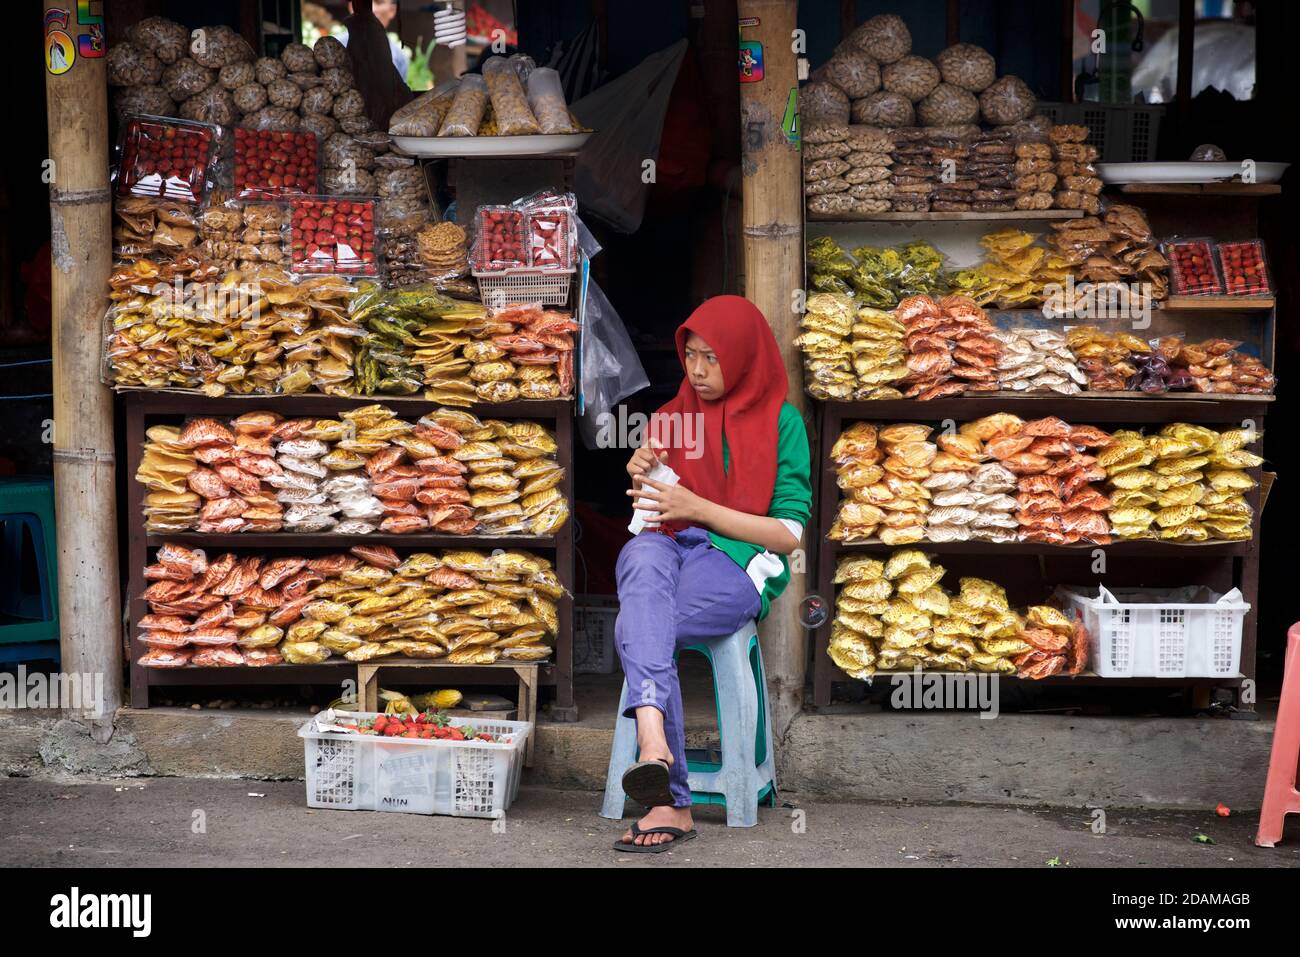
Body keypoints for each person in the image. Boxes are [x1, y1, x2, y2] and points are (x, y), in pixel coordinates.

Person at [613, 295, 812, 852]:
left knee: (641, 626)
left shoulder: (782, 423)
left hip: (738, 560)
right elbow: (651, 514)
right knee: (641, 560)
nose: (697, 371)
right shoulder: (671, 418)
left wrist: (697, 507)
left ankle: (667, 796)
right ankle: (655, 746)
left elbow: (788, 534)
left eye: (713, 358)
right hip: (667, 547)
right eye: (691, 355)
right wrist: (646, 474)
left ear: (745, 357)